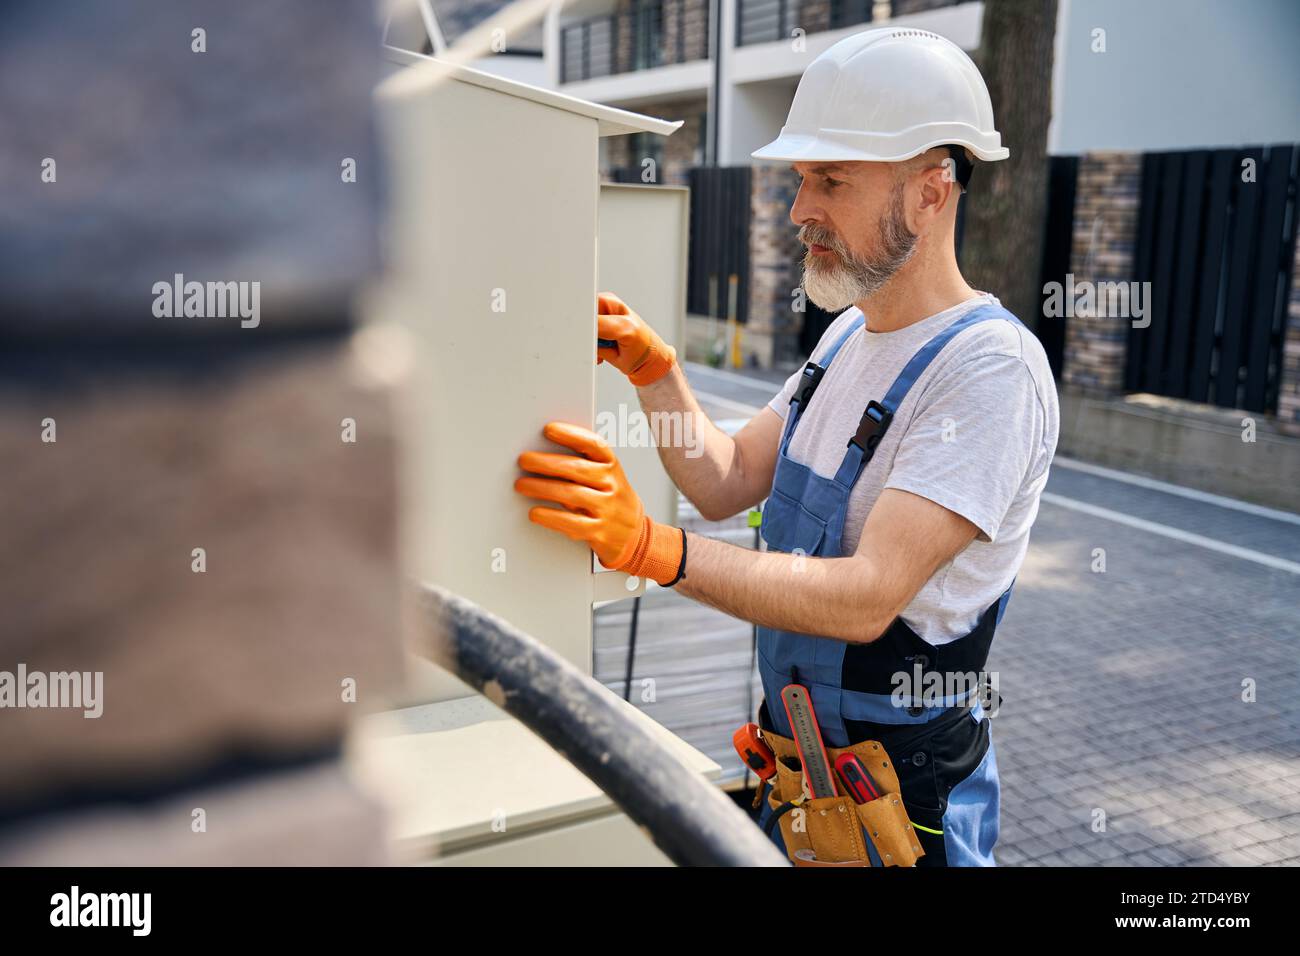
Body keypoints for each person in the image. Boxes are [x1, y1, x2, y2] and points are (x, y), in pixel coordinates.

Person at [513, 28, 1059, 866]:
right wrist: (657, 380)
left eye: (831, 180)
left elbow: (866, 598)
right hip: (806, 784)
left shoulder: (988, 371)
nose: (801, 208)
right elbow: (724, 481)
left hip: (901, 808)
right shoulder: (845, 338)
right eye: (803, 179)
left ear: (930, 189)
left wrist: (654, 551)